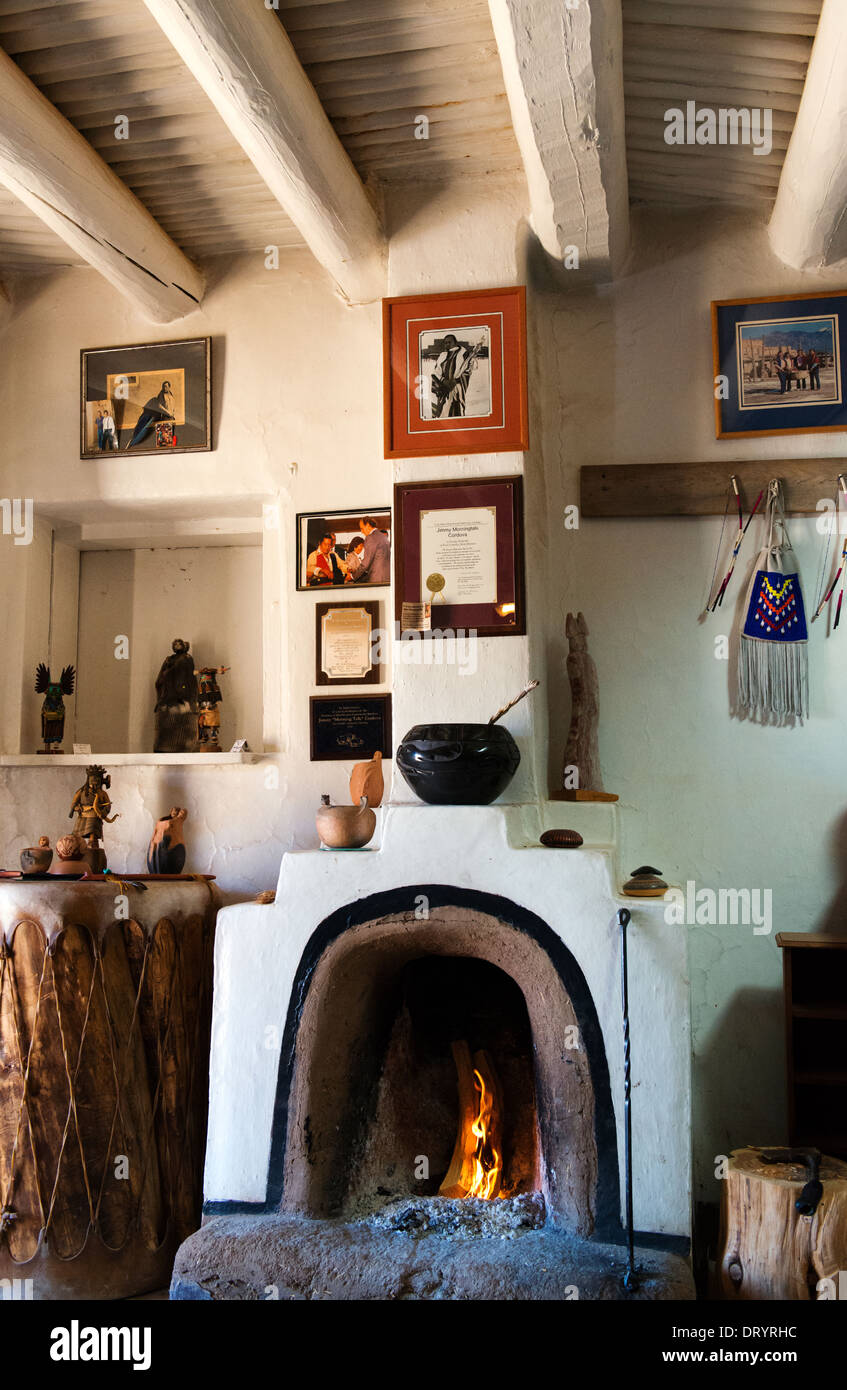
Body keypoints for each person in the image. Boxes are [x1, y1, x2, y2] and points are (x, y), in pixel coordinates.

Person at [429, 334, 478, 418]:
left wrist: (455, 381)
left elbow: (469, 369)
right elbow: (436, 371)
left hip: (456, 388)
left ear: (455, 342)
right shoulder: (442, 355)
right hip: (443, 387)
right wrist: (444, 381)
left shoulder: (464, 354)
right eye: (445, 343)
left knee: (456, 410)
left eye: (449, 342)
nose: (447, 344)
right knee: (441, 411)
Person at [126, 380, 176, 449]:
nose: (165, 388)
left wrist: (171, 415)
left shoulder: (171, 395)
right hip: (164, 418)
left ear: (169, 387)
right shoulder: (160, 396)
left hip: (170, 418)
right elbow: (160, 406)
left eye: (167, 386)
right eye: (164, 386)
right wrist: (168, 413)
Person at [356, 517, 390, 585]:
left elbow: (365, 564)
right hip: (387, 577)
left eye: (362, 528)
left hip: (376, 579)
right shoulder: (383, 537)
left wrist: (353, 576)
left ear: (368, 525)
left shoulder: (370, 538)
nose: (361, 531)